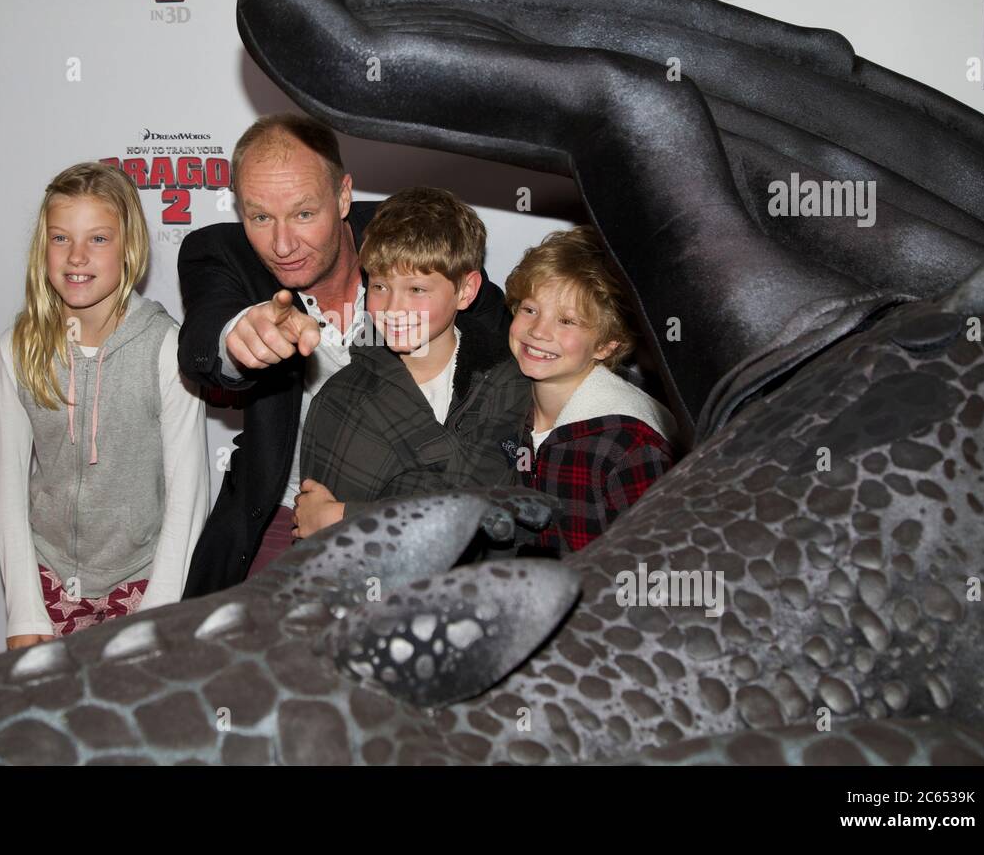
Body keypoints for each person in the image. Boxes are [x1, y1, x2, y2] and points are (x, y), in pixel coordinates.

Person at [177, 114, 510, 597]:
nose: (283, 244)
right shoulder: (219, 252)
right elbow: (201, 338)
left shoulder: (411, 238)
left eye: (304, 213)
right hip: (288, 513)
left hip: (415, 505)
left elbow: (501, 339)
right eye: (260, 217)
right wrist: (239, 336)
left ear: (343, 196)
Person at [0, 161, 208, 648]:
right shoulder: (18, 348)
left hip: (139, 583)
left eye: (98, 239)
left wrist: (161, 612)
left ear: (129, 246)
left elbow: (188, 495)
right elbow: (8, 488)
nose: (76, 257)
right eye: (60, 238)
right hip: (47, 585)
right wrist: (24, 614)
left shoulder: (166, 349)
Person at [296, 187, 529, 537]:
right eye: (379, 287)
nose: (392, 308)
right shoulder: (338, 398)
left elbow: (484, 520)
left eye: (417, 290)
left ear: (465, 291)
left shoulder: (504, 380)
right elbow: (321, 553)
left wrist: (343, 516)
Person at [505, 226, 677, 552]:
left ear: (607, 345)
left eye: (567, 321)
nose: (538, 331)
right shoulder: (504, 403)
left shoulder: (631, 444)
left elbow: (655, 561)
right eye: (530, 309)